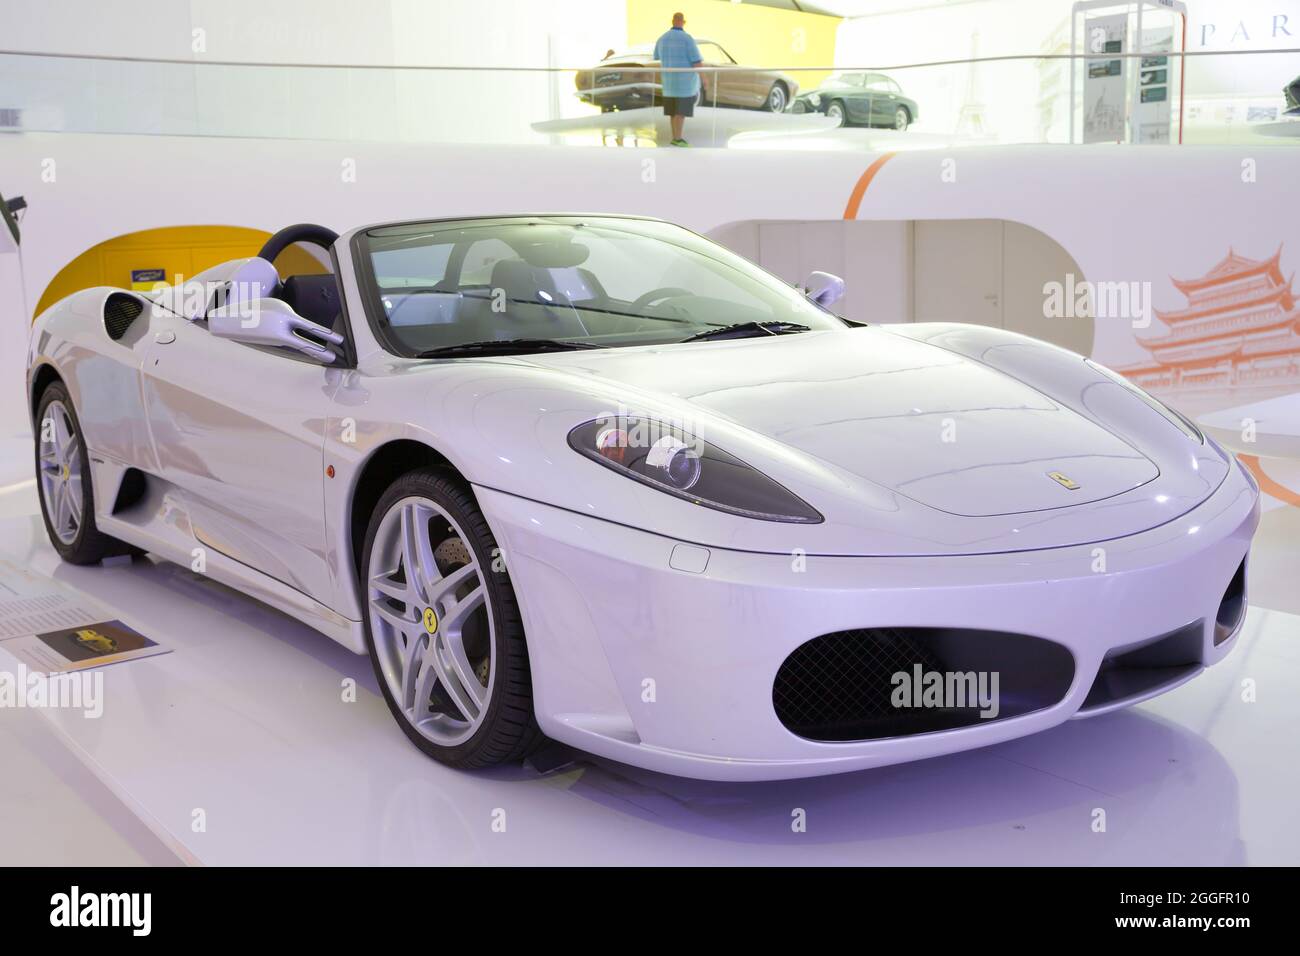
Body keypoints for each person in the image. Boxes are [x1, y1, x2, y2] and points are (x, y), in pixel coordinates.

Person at [653, 12, 705, 147]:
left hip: (669, 84)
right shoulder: (687, 39)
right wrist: (705, 78)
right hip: (684, 85)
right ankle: (678, 138)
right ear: (683, 22)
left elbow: (656, 57)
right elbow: (697, 62)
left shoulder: (662, 38)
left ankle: (675, 137)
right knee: (680, 113)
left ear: (672, 21)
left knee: (672, 112)